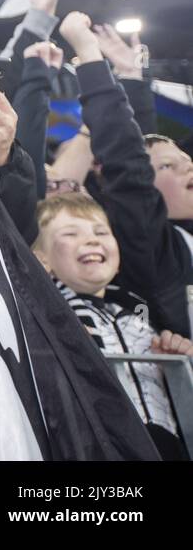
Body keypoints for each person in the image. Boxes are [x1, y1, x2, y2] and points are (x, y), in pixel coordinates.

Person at [58, 11, 193, 337]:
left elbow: (140, 145)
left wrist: (131, 75)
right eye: (166, 167)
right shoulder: (156, 249)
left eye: (185, 159)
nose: (187, 166)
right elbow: (130, 164)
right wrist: (90, 59)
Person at [31, 192, 191, 460]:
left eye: (102, 232)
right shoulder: (46, 316)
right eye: (71, 234)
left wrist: (177, 363)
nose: (92, 239)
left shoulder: (139, 315)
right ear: (41, 260)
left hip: (167, 447)